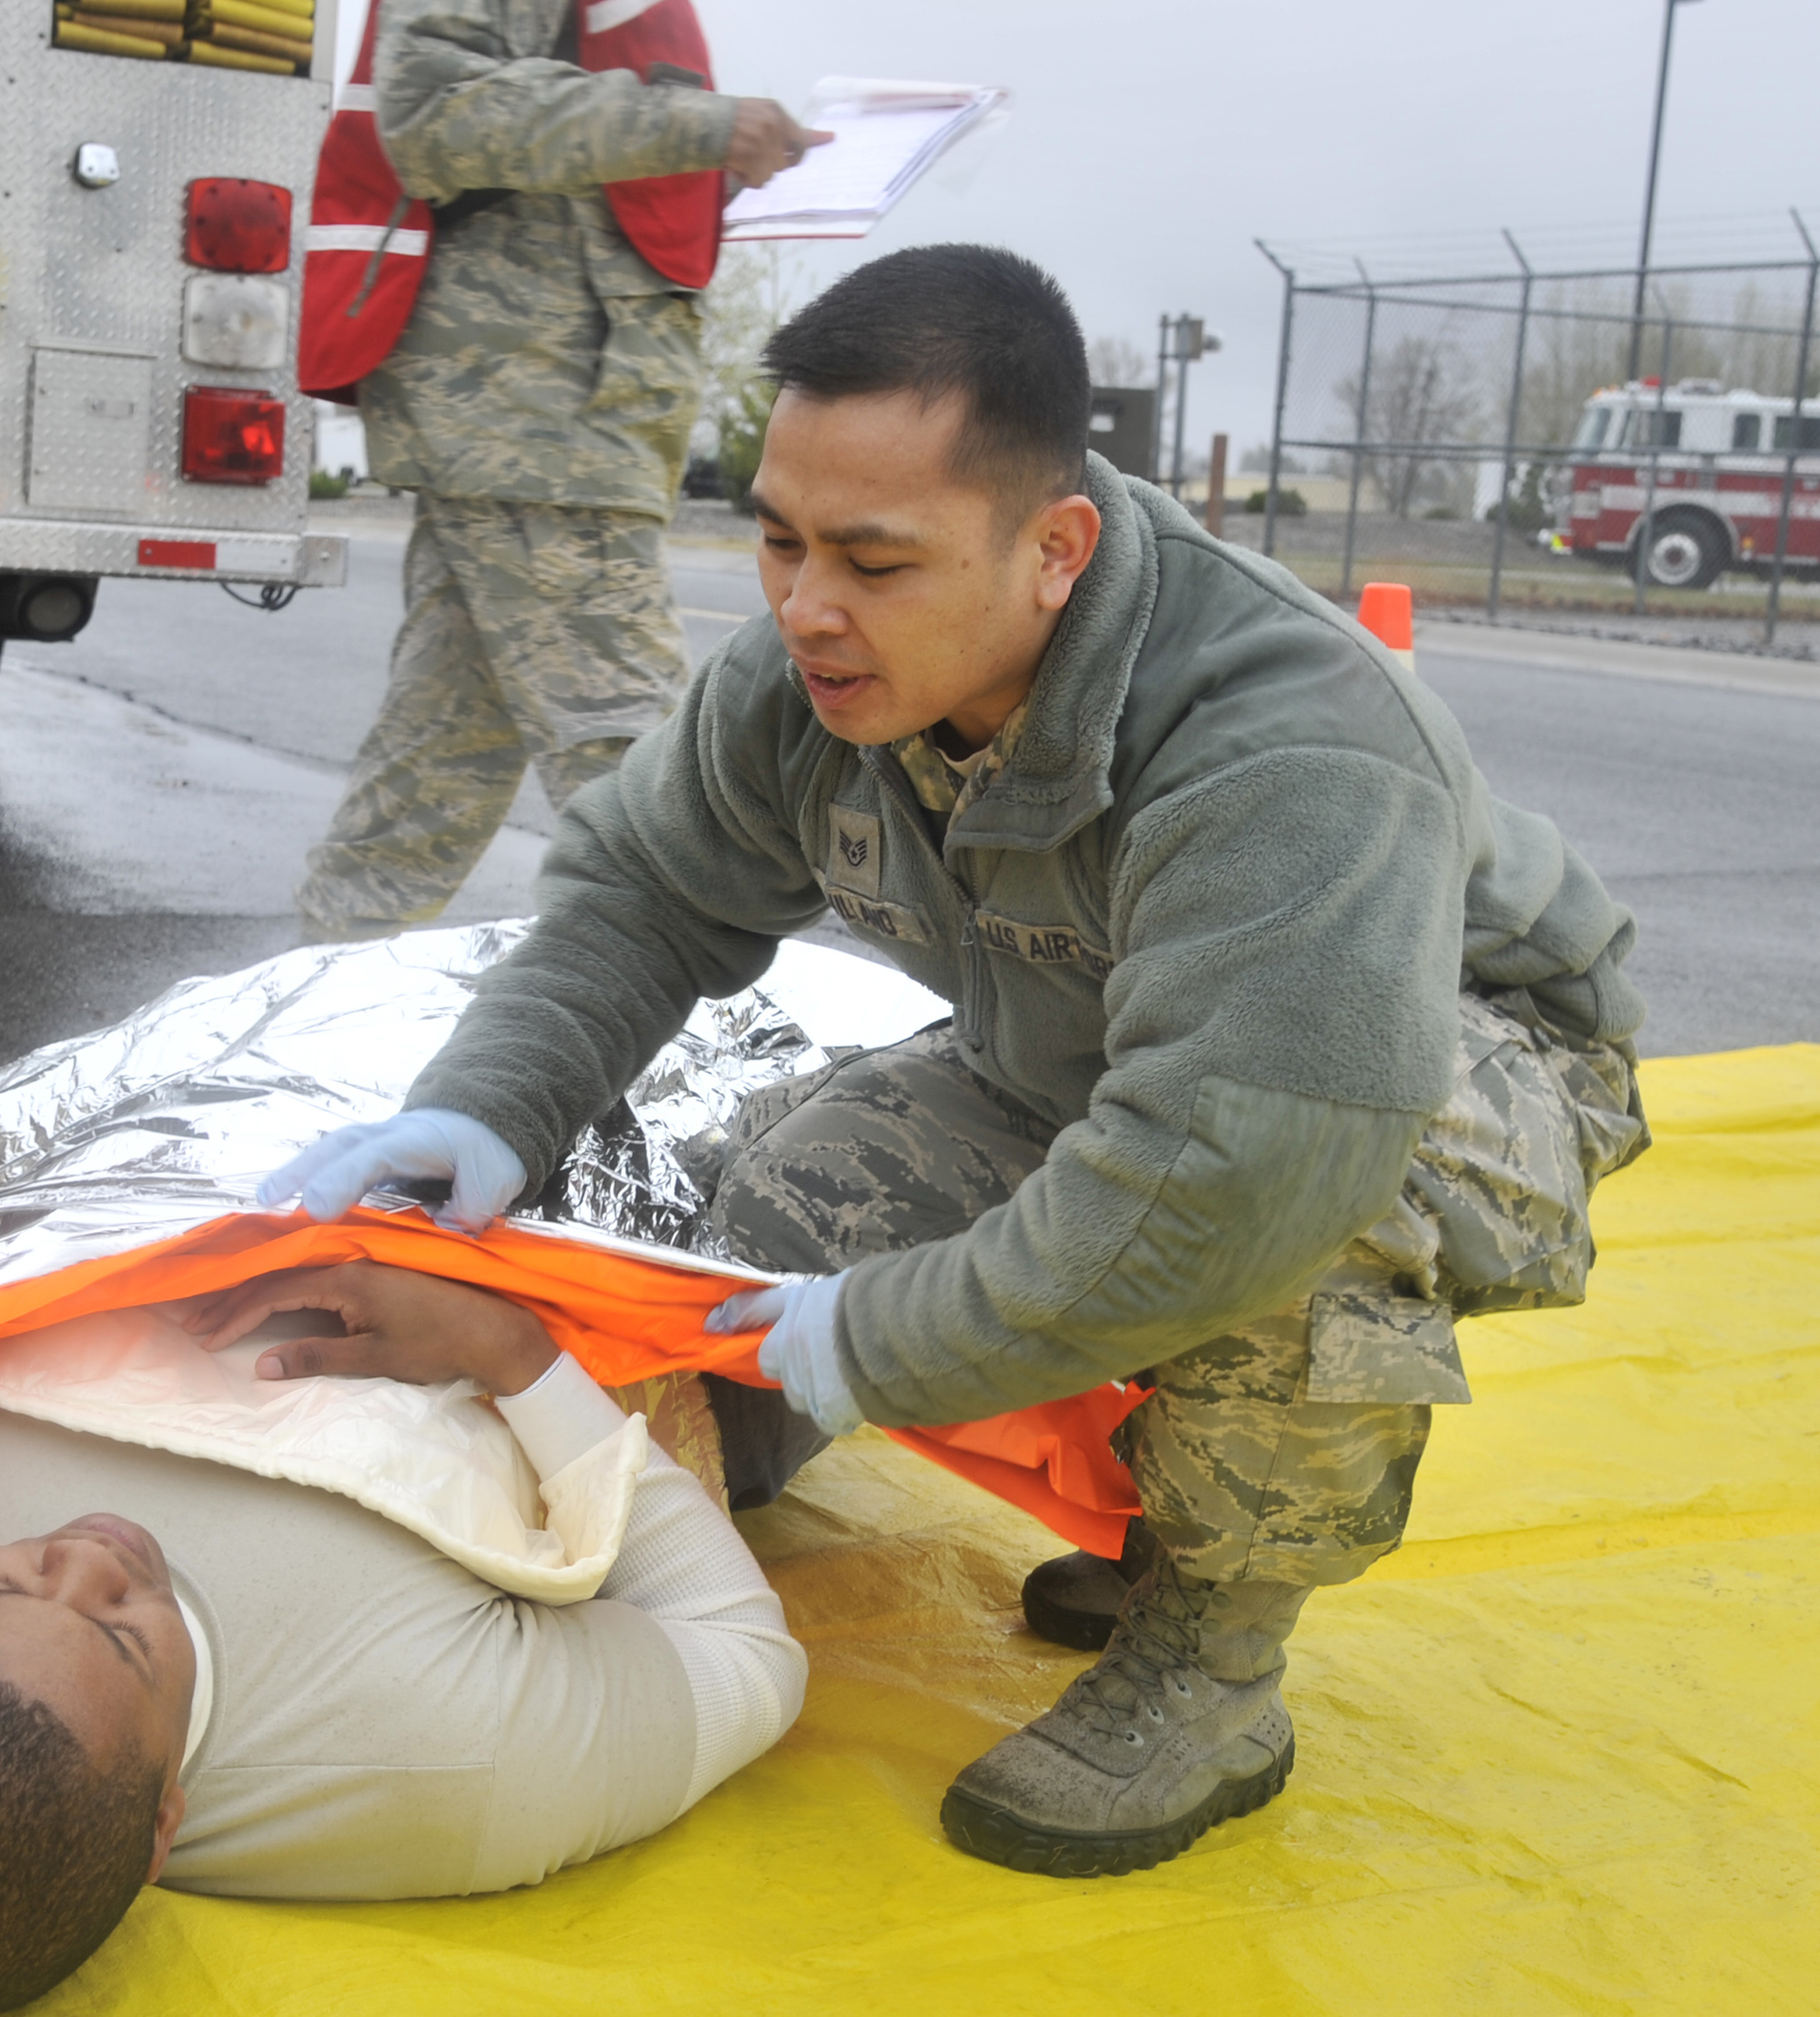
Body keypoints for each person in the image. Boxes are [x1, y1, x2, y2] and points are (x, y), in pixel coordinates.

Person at [263, 246, 1648, 1879]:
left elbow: (1240, 1173)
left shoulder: (1287, 746)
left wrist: (881, 1343)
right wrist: (482, 1108)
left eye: (872, 560)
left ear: (1055, 551)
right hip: (1116, 1053)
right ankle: (682, 1483)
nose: (803, 607)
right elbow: (645, 886)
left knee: (1307, 1241)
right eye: (776, 539)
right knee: (783, 1209)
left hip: (1431, 1071)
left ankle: (1207, 1662)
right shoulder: (814, 670)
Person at [0, 1261, 802, 2017]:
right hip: (650, 1327)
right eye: (123, 1639)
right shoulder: (453, 1759)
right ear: (161, 1827)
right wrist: (509, 1352)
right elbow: (744, 1650)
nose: (89, 1557)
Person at [290, 0, 821, 938]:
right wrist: (703, 125)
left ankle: (300, 1030)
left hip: (558, 413)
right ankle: (689, 1067)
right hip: (536, 414)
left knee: (430, 782)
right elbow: (436, 108)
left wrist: (724, 163)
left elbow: (579, 185)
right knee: (655, 791)